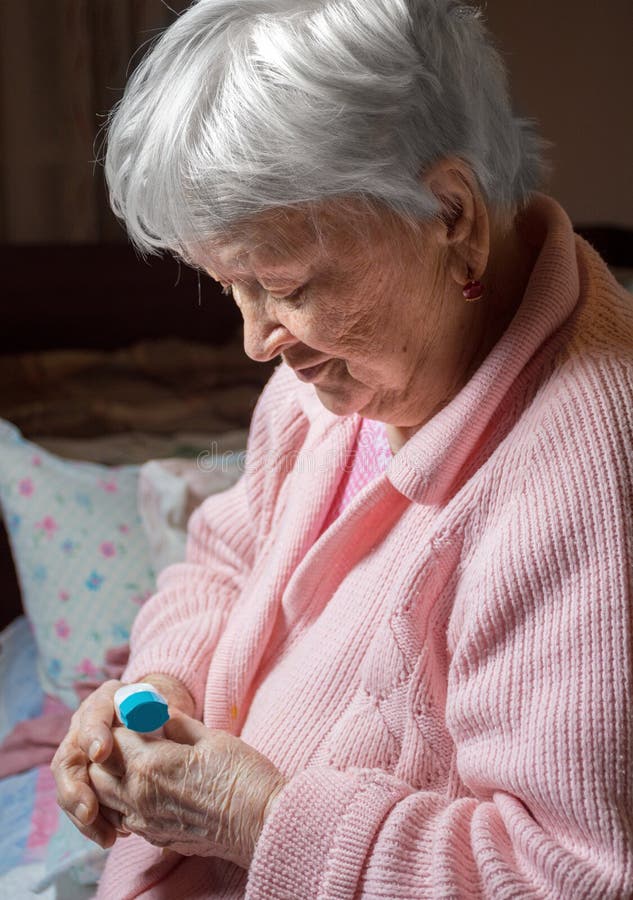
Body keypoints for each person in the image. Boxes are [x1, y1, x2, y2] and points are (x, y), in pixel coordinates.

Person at [51, 0, 633, 897]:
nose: (255, 341)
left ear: (449, 215)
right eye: (230, 286)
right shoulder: (338, 379)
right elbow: (223, 559)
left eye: (283, 285)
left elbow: (568, 876)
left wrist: (260, 820)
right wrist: (159, 690)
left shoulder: (583, 476)